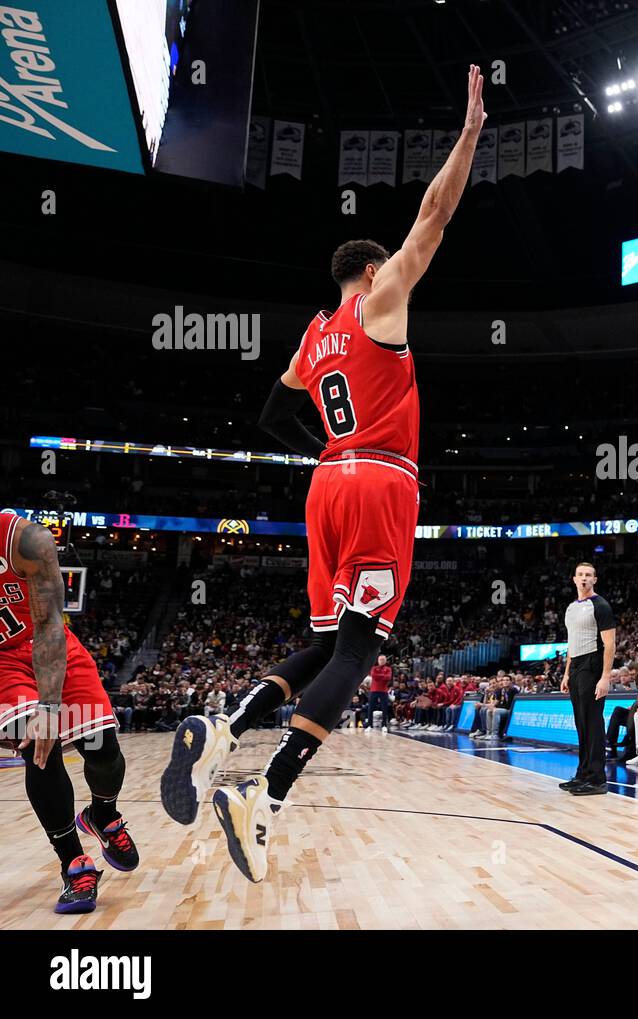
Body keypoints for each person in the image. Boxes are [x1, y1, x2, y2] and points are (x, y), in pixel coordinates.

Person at [159, 67, 487, 883]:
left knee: (325, 640)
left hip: (326, 485)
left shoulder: (314, 335)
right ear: (375, 272)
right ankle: (264, 796)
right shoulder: (380, 305)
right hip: (380, 482)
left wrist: (325, 445)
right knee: (361, 653)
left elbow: (271, 416)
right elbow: (435, 214)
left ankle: (230, 727)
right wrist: (472, 130)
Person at [0, 515, 136, 913]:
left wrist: (48, 705)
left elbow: (47, 624)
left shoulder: (25, 539)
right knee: (37, 745)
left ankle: (102, 815)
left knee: (102, 750)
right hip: (3, 665)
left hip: (48, 643)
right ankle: (74, 862)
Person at [560, 563, 616, 796]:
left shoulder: (600, 605)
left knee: (593, 723)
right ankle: (583, 773)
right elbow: (572, 643)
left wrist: (605, 677)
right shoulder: (572, 607)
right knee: (581, 723)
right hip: (576, 668)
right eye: (580, 575)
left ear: (595, 579)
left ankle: (597, 779)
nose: (584, 579)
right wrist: (566, 673)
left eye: (588, 575)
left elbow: (610, 644)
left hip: (593, 665)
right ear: (574, 579)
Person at [367, 654, 392, 729]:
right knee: (370, 708)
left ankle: (384, 725)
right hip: (374, 690)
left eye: (383, 660)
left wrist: (379, 676)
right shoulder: (374, 668)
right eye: (380, 659)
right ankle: (369, 725)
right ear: (378, 661)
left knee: (384, 708)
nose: (382, 661)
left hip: (384, 691)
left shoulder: (388, 669)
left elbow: (388, 677)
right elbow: (374, 676)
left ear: (385, 661)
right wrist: (383, 675)